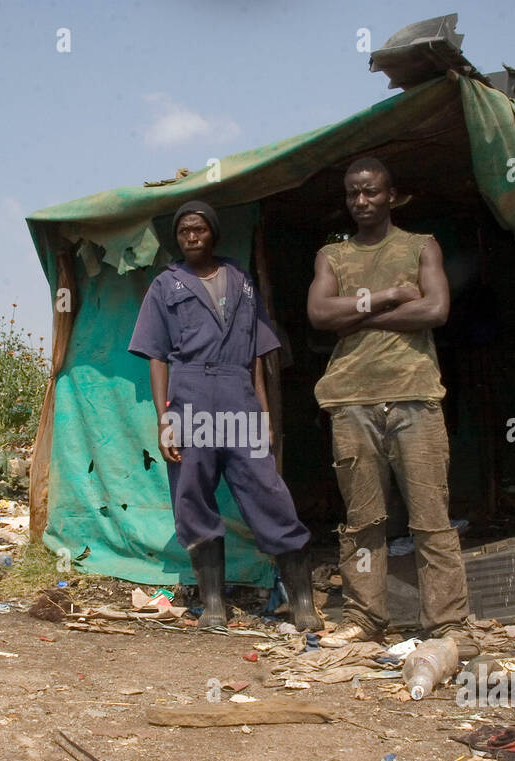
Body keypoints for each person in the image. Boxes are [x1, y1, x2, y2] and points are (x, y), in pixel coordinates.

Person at [128, 200, 321, 633]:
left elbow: (256, 355)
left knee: (268, 491)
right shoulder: (166, 285)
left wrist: (265, 413)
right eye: (183, 233)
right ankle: (214, 605)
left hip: (238, 394)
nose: (191, 237)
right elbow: (156, 357)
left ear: (212, 233)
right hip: (190, 393)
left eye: (198, 230)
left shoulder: (241, 281)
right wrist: (164, 419)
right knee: (193, 495)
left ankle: (304, 602)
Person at [306, 157, 473, 652]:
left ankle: (449, 626)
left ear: (392, 195)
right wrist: (389, 299)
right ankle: (364, 619)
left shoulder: (421, 245)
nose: (362, 202)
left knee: (429, 515)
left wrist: (356, 316)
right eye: (353, 194)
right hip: (350, 398)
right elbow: (318, 312)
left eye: (372, 192)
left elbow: (437, 309)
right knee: (363, 521)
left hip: (415, 396)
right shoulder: (331, 256)